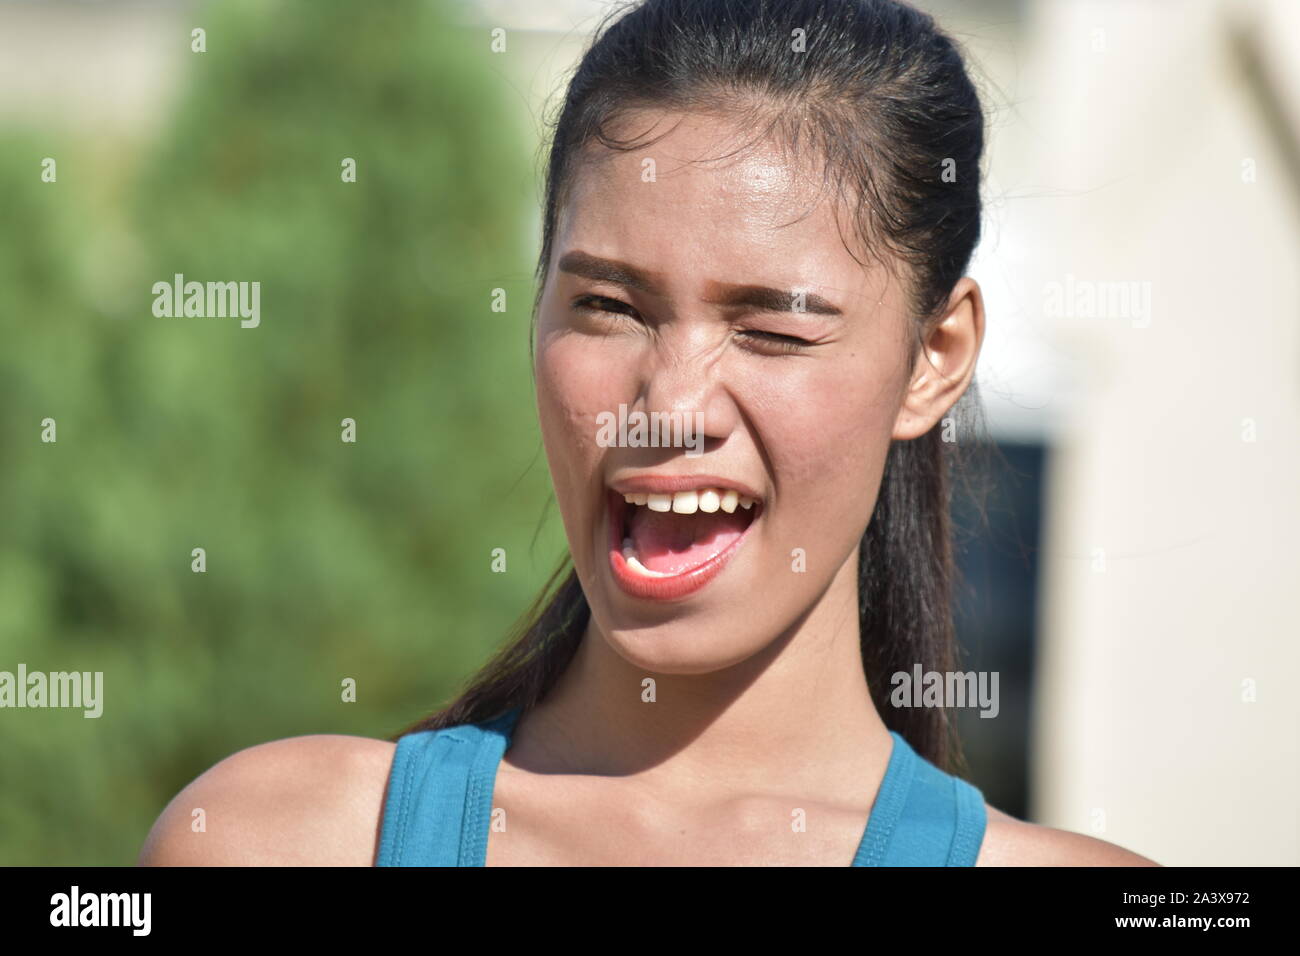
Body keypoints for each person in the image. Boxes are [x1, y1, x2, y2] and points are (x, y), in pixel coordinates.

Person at [139, 0, 1158, 866]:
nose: (669, 402)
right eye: (609, 307)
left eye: (771, 328)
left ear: (934, 357)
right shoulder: (272, 840)